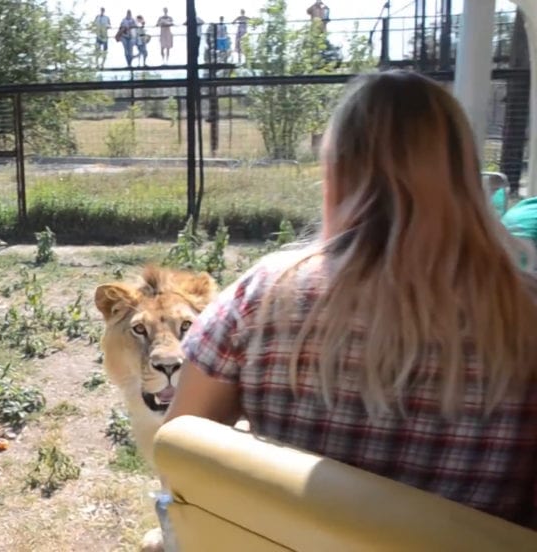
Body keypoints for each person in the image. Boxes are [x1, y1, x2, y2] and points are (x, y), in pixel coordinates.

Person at [163, 70, 537, 528]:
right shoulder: (527, 316)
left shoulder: (263, 295)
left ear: (335, 173)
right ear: (463, 176)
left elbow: (179, 455)